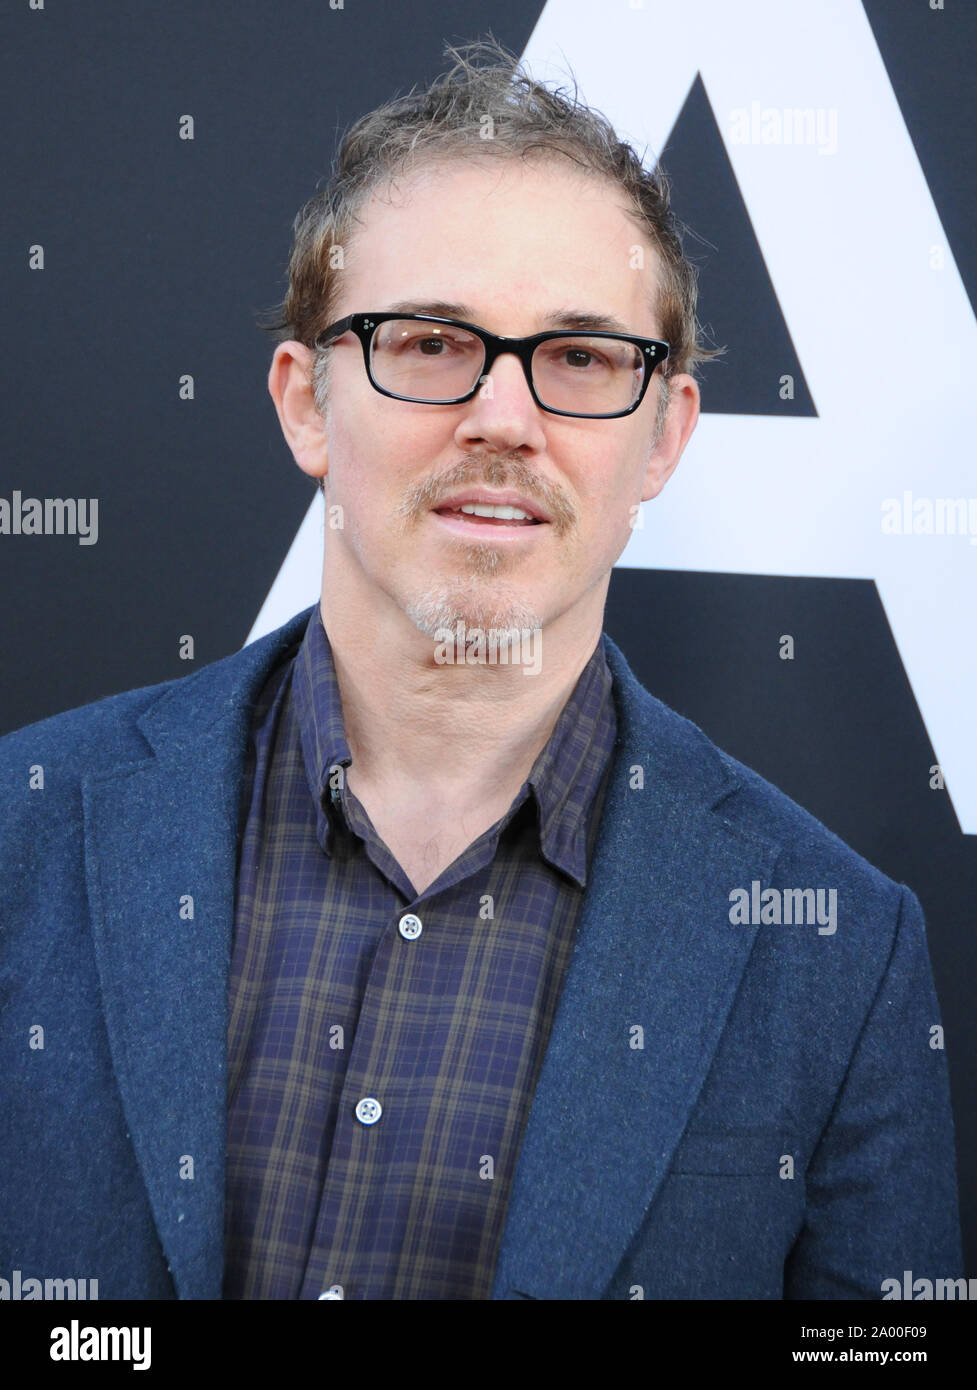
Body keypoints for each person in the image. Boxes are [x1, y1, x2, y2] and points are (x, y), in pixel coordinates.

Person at [0, 39, 962, 1301]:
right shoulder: (29, 824)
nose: (503, 419)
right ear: (305, 402)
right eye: (431, 340)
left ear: (664, 432)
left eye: (578, 358)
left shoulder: (838, 953)